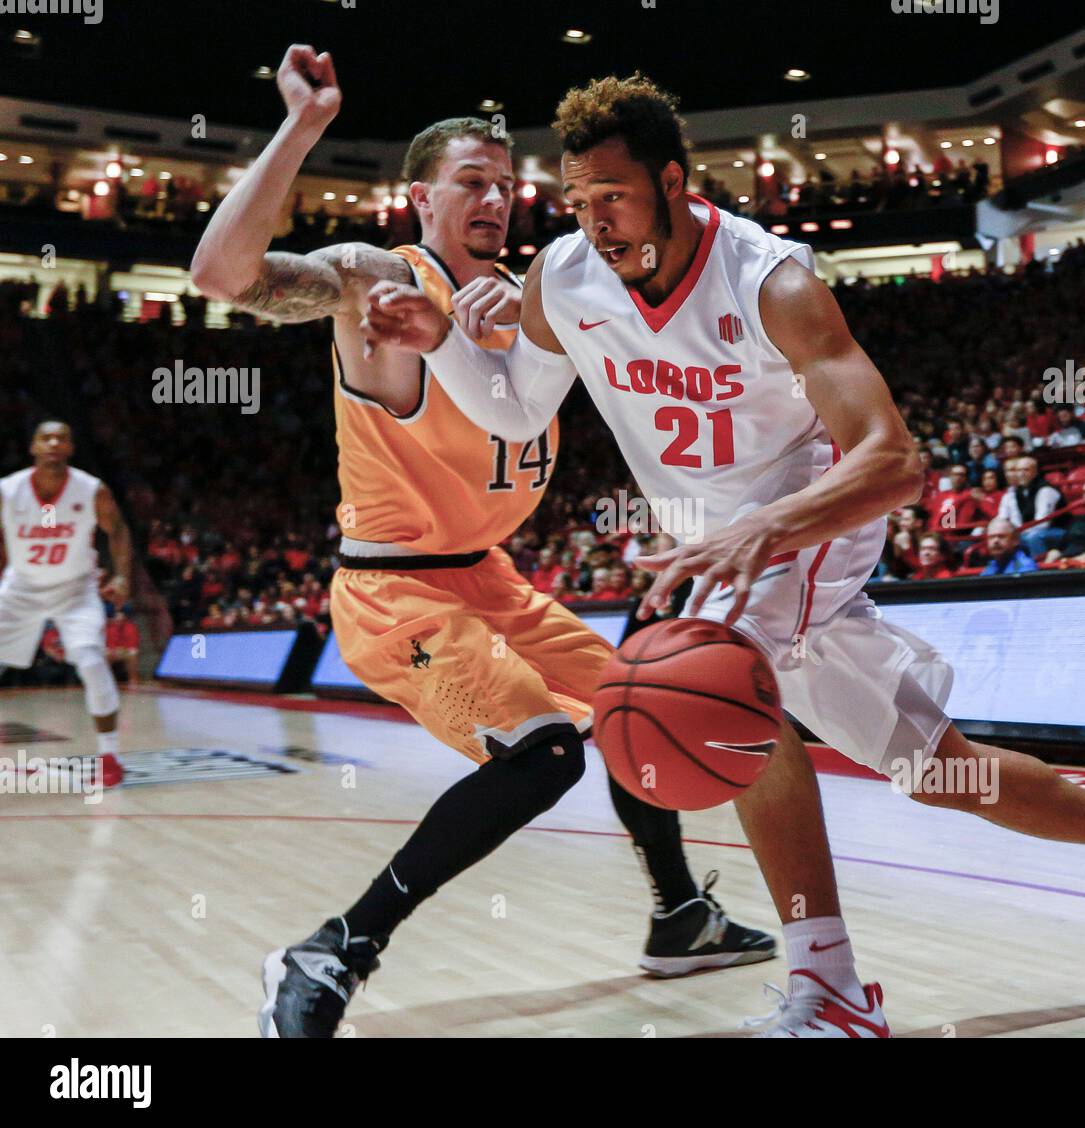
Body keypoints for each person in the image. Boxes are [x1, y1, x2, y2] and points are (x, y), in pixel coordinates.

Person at [362, 72, 1085, 1036]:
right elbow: (513, 408)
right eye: (579, 202)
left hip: (813, 520)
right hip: (719, 545)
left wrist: (767, 529)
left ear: (673, 181)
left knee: (725, 669)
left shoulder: (772, 282)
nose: (595, 222)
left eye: (615, 198)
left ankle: (831, 986)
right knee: (941, 773)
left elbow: (898, 463)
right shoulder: (563, 278)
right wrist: (443, 344)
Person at [190, 47, 770, 1039]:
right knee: (547, 756)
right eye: (471, 183)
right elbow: (219, 275)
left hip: (489, 578)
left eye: (506, 187)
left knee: (632, 710)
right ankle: (335, 946)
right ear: (419, 196)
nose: (495, 200)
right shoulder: (375, 282)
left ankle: (680, 917)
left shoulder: (534, 297)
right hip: (394, 589)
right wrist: (302, 128)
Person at [0, 421, 131, 769]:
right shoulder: (8, 490)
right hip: (21, 588)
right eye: (46, 437)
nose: (54, 443)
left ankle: (110, 756)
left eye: (62, 438)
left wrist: (121, 576)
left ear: (71, 448)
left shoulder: (91, 490)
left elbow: (117, 530)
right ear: (34, 447)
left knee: (90, 660)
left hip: (75, 588)